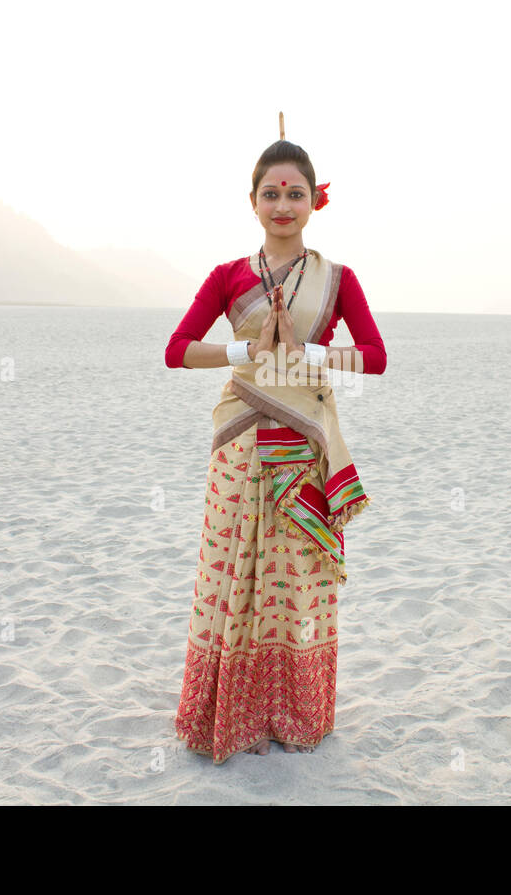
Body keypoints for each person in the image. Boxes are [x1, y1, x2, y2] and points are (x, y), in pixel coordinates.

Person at [165, 117, 387, 763]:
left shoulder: (338, 279)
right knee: (234, 576)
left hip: (302, 443)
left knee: (296, 583)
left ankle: (295, 713)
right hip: (240, 439)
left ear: (315, 201)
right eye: (271, 193)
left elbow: (373, 357)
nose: (283, 206)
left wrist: (310, 353)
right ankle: (230, 714)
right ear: (253, 201)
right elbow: (177, 350)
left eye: (295, 194)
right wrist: (243, 348)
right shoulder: (227, 275)